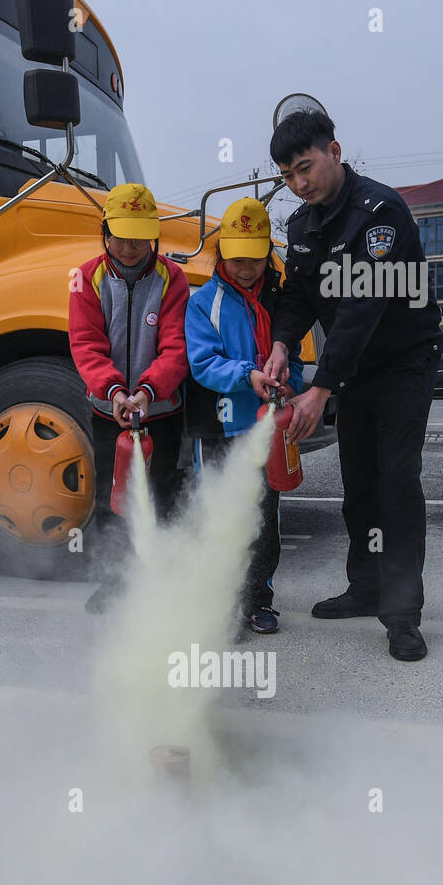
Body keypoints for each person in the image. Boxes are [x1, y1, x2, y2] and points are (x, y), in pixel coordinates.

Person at [262, 110, 443, 661]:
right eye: (289, 176)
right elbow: (294, 297)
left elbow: (364, 308)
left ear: (334, 151)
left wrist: (321, 388)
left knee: (396, 480)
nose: (300, 183)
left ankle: (403, 613)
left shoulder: (381, 213)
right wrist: (281, 344)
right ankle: (365, 588)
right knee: (359, 483)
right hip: (355, 370)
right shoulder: (299, 226)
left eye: (306, 167)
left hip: (403, 363)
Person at [69, 183, 189, 614]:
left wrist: (149, 390)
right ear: (105, 232)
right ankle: (115, 580)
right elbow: (85, 345)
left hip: (162, 411)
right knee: (111, 496)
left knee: (160, 494)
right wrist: (116, 392)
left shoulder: (172, 279)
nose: (132, 245)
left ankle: (159, 580)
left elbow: (177, 347)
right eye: (122, 235)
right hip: (109, 412)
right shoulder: (87, 278)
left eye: (141, 235)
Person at [186, 197, 303, 634]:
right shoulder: (203, 303)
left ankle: (257, 599)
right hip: (217, 428)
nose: (247, 268)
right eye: (237, 259)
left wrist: (292, 382)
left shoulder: (281, 301)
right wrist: (248, 374)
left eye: (256, 258)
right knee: (218, 517)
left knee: (263, 518)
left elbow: (296, 357)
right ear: (221, 255)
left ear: (267, 254)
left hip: (266, 429)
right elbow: (202, 363)